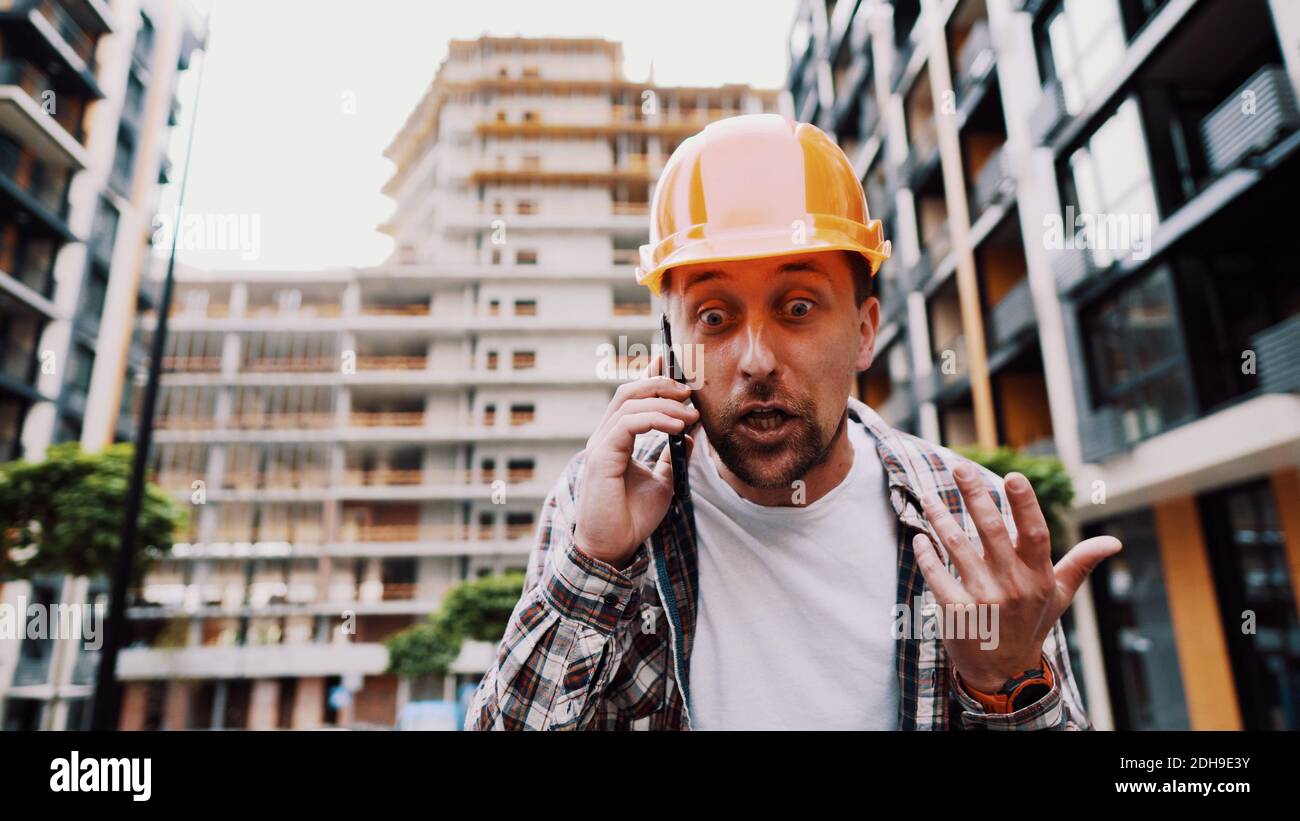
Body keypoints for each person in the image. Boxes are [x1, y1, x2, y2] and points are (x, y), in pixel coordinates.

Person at [465, 113, 1121, 730]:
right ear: (673, 345)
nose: (756, 360)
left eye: (798, 306)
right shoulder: (597, 502)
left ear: (864, 332)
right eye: (715, 317)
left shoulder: (969, 518)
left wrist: (1006, 685)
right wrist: (594, 566)